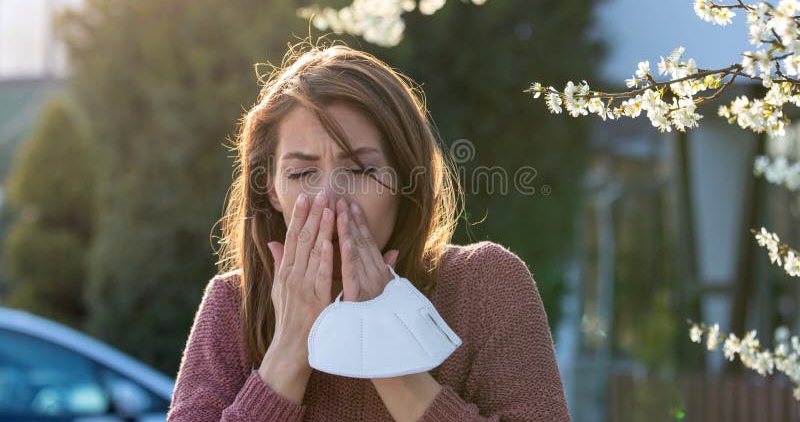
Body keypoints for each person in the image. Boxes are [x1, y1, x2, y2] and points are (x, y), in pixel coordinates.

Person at [166, 41, 572, 422]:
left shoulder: (484, 285)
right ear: (271, 190)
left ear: (405, 180)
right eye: (302, 172)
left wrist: (384, 346)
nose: (329, 198)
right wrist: (289, 351)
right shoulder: (233, 303)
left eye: (360, 170)